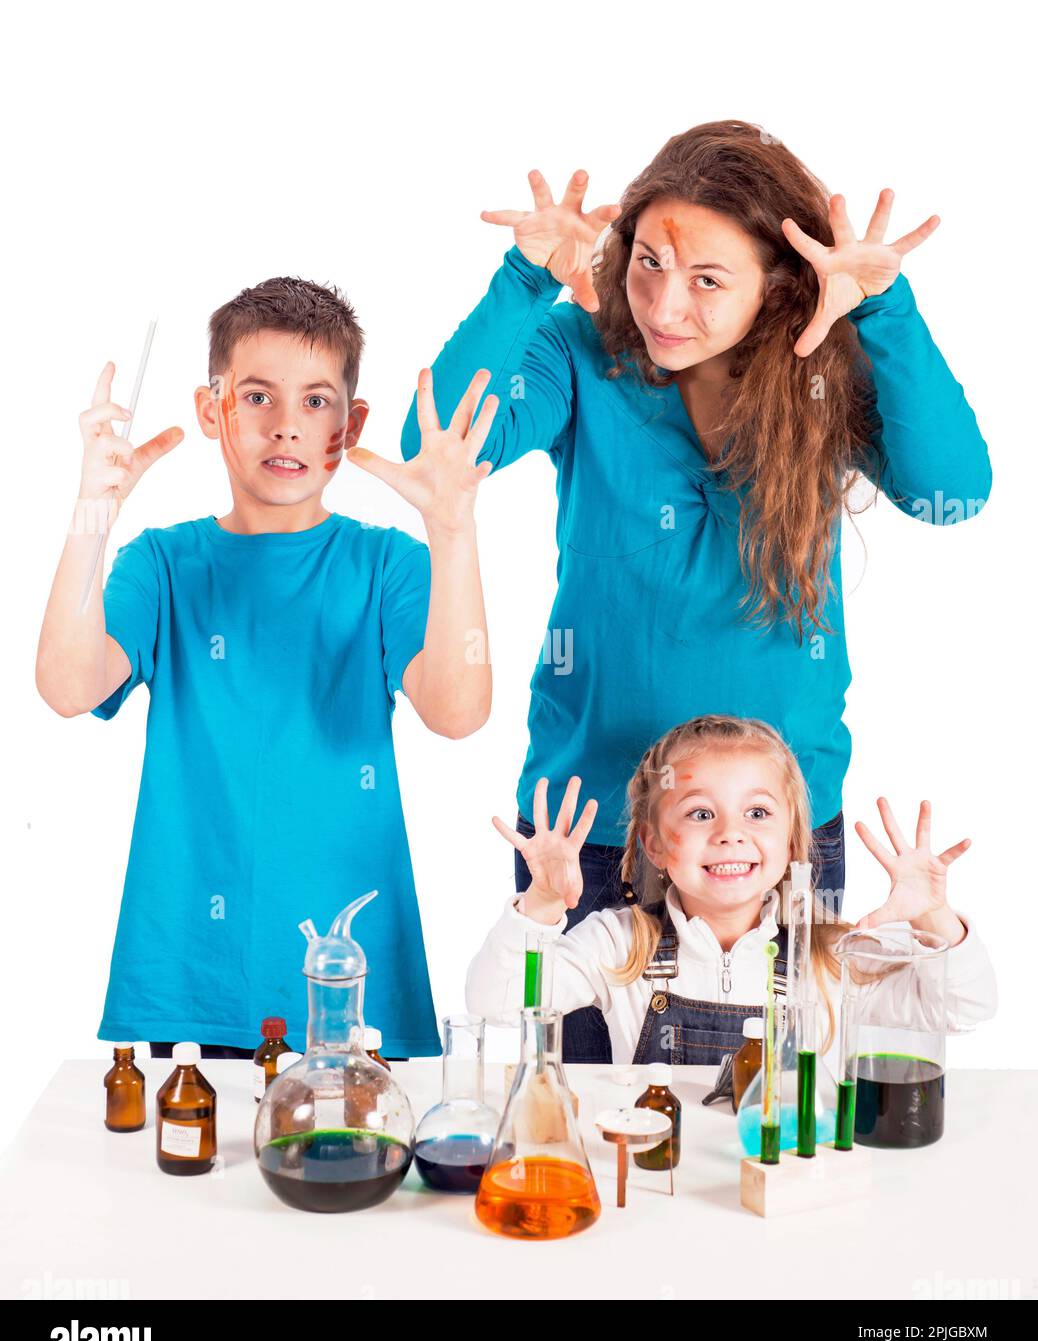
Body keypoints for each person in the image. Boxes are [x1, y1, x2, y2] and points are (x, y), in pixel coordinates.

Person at [405, 119, 991, 1061]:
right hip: (589, 830)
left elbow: (951, 492)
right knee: (588, 1127)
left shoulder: (823, 370)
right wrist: (525, 280)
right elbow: (443, 444)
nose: (664, 304)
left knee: (773, 1121)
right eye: (647, 262)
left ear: (779, 287)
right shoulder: (579, 351)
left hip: (778, 837)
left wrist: (884, 309)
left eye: (708, 279)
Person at [36, 276, 497, 1060]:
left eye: (316, 402)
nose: (287, 426)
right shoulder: (163, 563)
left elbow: (458, 712)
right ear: (212, 410)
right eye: (257, 397)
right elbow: (68, 687)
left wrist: (453, 531)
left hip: (354, 982)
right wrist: (92, 513)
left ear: (349, 427)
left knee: (351, 1180)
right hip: (195, 974)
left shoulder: (387, 563)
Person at [467, 716, 996, 1068]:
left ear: (791, 841)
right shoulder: (620, 942)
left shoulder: (829, 955)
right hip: (663, 1185)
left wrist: (935, 918)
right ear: (653, 843)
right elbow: (495, 1003)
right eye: (700, 813)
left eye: (758, 813)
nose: (730, 833)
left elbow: (965, 1007)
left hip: (784, 1192)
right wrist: (540, 902)